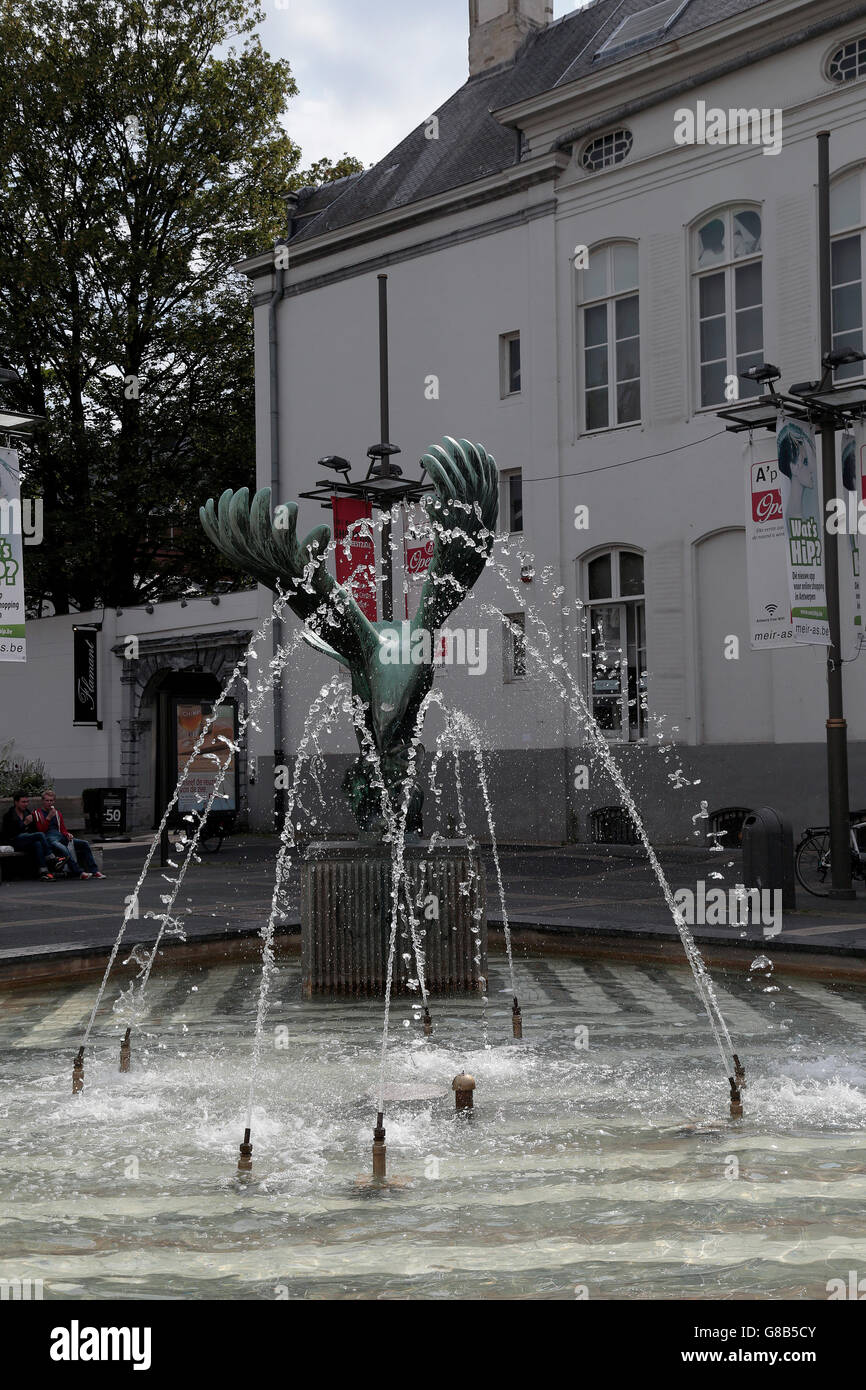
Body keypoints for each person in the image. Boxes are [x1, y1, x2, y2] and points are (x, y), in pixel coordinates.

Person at [33, 789, 105, 879]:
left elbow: (62, 829)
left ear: (54, 801)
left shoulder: (57, 813)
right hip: (49, 839)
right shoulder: (37, 813)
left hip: (60, 836)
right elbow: (41, 830)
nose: (49, 803)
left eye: (51, 800)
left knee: (84, 844)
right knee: (63, 848)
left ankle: (94, 871)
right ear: (43, 801)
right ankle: (78, 872)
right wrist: (48, 817)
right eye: (47, 800)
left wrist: (67, 834)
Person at [0, 791, 58, 879]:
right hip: (14, 842)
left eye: (27, 802)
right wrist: (25, 823)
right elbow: (10, 834)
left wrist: (30, 825)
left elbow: (33, 830)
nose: (25, 804)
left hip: (26, 841)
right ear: (16, 802)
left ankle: (43, 871)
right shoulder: (9, 816)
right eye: (23, 802)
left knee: (37, 844)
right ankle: (52, 858)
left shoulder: (27, 813)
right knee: (40, 835)